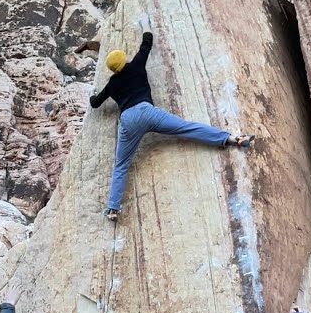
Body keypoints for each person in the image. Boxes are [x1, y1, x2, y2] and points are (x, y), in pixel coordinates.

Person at [89, 15, 253, 222]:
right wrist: (145, 23)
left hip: (129, 119)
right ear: (124, 59)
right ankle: (232, 139)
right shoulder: (136, 65)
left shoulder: (112, 83)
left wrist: (93, 95)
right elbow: (146, 43)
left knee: (121, 165)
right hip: (148, 111)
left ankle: (113, 208)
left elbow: (96, 103)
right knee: (187, 128)